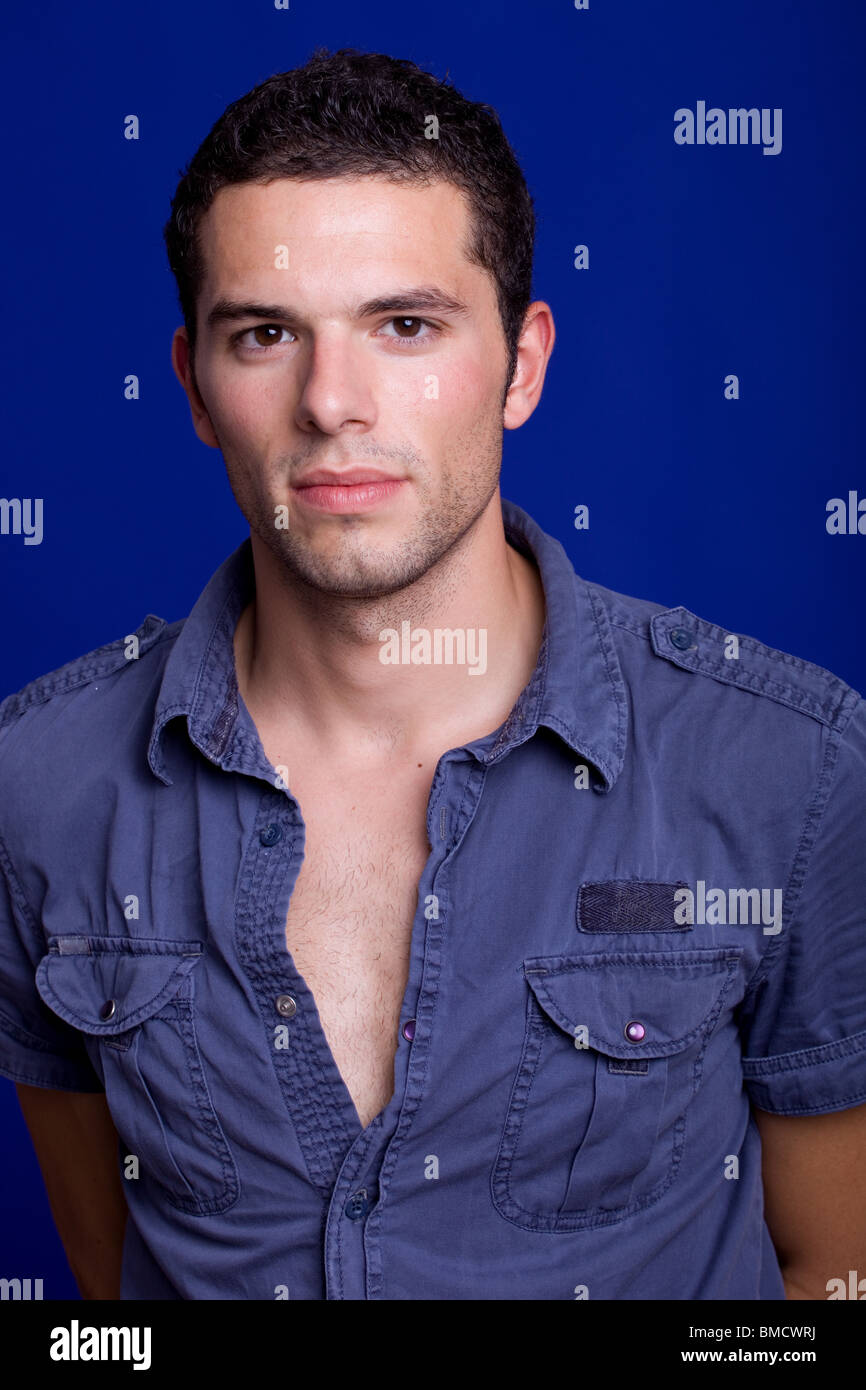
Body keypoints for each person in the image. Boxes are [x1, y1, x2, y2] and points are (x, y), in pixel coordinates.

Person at [1, 48, 864, 1302]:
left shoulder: (788, 771)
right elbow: (109, 1284)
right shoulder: (42, 783)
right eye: (264, 335)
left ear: (519, 364)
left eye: (404, 325)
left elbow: (833, 1269)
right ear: (192, 385)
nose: (331, 403)